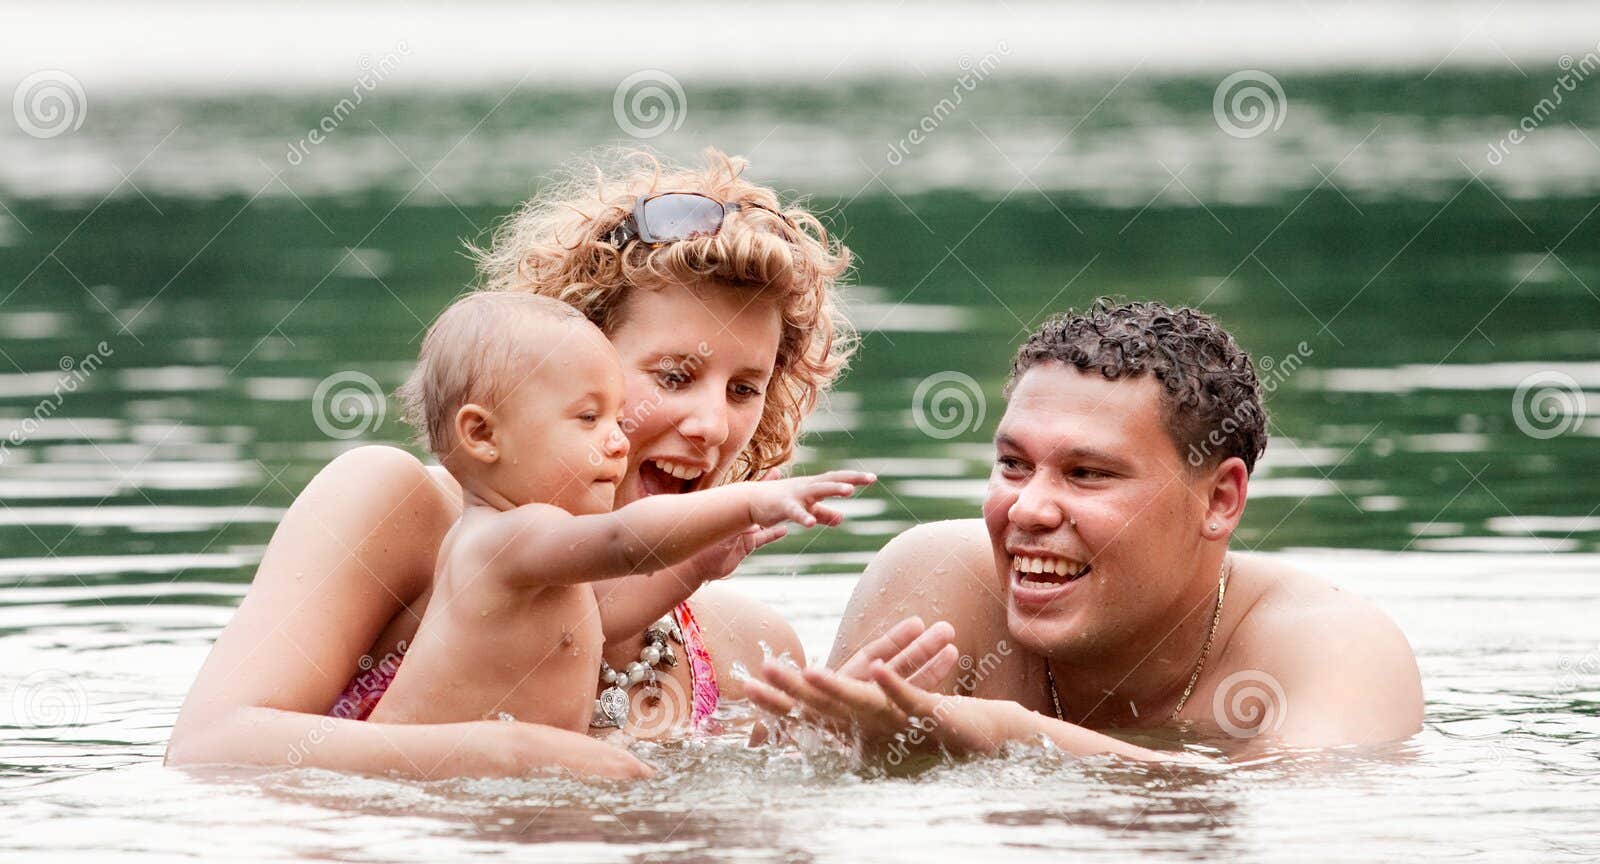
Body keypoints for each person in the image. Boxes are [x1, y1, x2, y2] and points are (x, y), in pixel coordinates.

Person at [166, 148, 951, 781]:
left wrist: (821, 753)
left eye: (745, 388)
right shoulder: (400, 510)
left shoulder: (744, 642)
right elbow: (212, 749)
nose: (714, 425)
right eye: (675, 375)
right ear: (571, 356)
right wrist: (509, 753)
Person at [745, 299, 1425, 760]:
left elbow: (1288, 815)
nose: (1028, 509)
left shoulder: (1332, 646)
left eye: (1087, 473)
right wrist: (793, 751)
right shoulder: (937, 586)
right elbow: (795, 796)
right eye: (1013, 465)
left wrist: (1007, 736)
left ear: (1220, 499)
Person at [363, 289, 872, 734]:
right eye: (589, 417)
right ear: (482, 434)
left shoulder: (536, 565)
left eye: (743, 389)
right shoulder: (503, 537)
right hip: (435, 788)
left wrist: (697, 565)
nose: (617, 440)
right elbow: (621, 541)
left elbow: (605, 616)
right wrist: (747, 502)